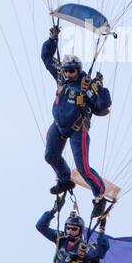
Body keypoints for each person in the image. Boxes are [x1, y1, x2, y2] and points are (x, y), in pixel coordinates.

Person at [41, 24, 113, 218]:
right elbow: (47, 58)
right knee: (50, 155)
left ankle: (100, 195)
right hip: (58, 125)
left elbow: (103, 105)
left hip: (76, 129)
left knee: (82, 168)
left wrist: (99, 88)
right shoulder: (61, 76)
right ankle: (64, 179)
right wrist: (53, 39)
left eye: (72, 71)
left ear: (78, 70)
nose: (68, 74)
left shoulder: (86, 85)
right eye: (66, 70)